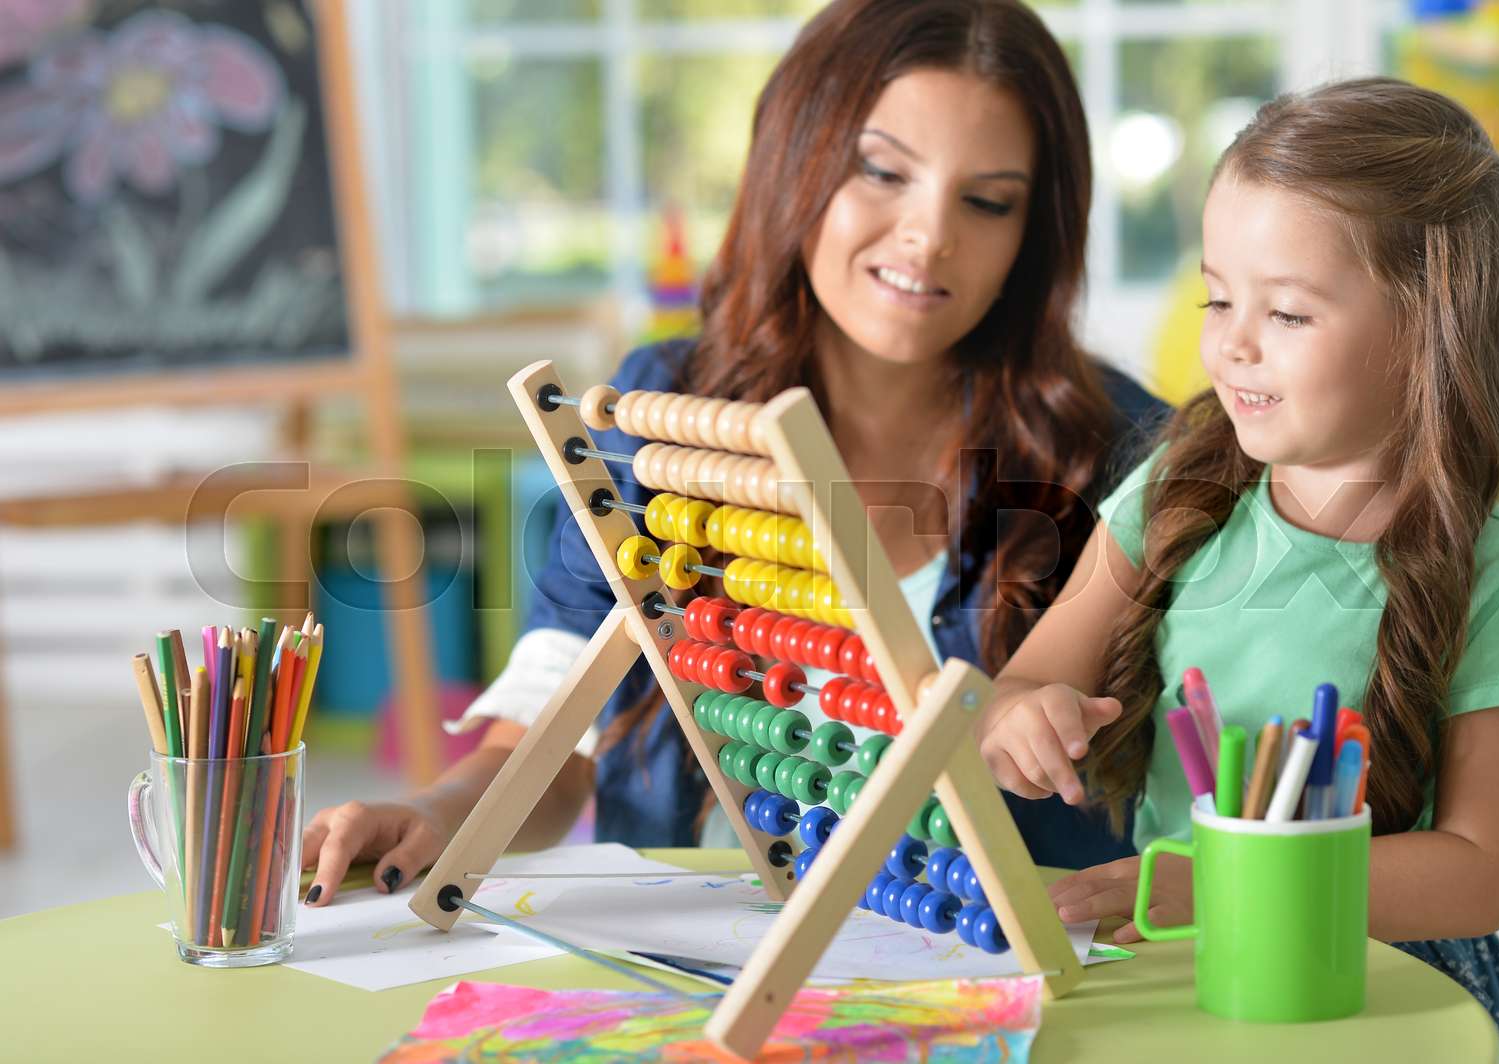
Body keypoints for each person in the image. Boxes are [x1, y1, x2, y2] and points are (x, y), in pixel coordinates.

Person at [300, 0, 1169, 906]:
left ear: (1034, 233)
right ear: (798, 161)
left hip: (1004, 964)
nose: (929, 236)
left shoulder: (1120, 449)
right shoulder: (662, 413)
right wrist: (440, 812)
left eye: (988, 201)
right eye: (882, 171)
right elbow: (549, 738)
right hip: (707, 954)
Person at [978, 78, 1499, 1063]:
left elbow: (1482, 871)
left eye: (1290, 314)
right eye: (1218, 296)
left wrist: (1222, 883)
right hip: (1183, 970)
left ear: (1424, 325)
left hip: (1382, 996)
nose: (1230, 341)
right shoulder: (1175, 492)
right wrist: (1020, 716)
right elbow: (1021, 682)